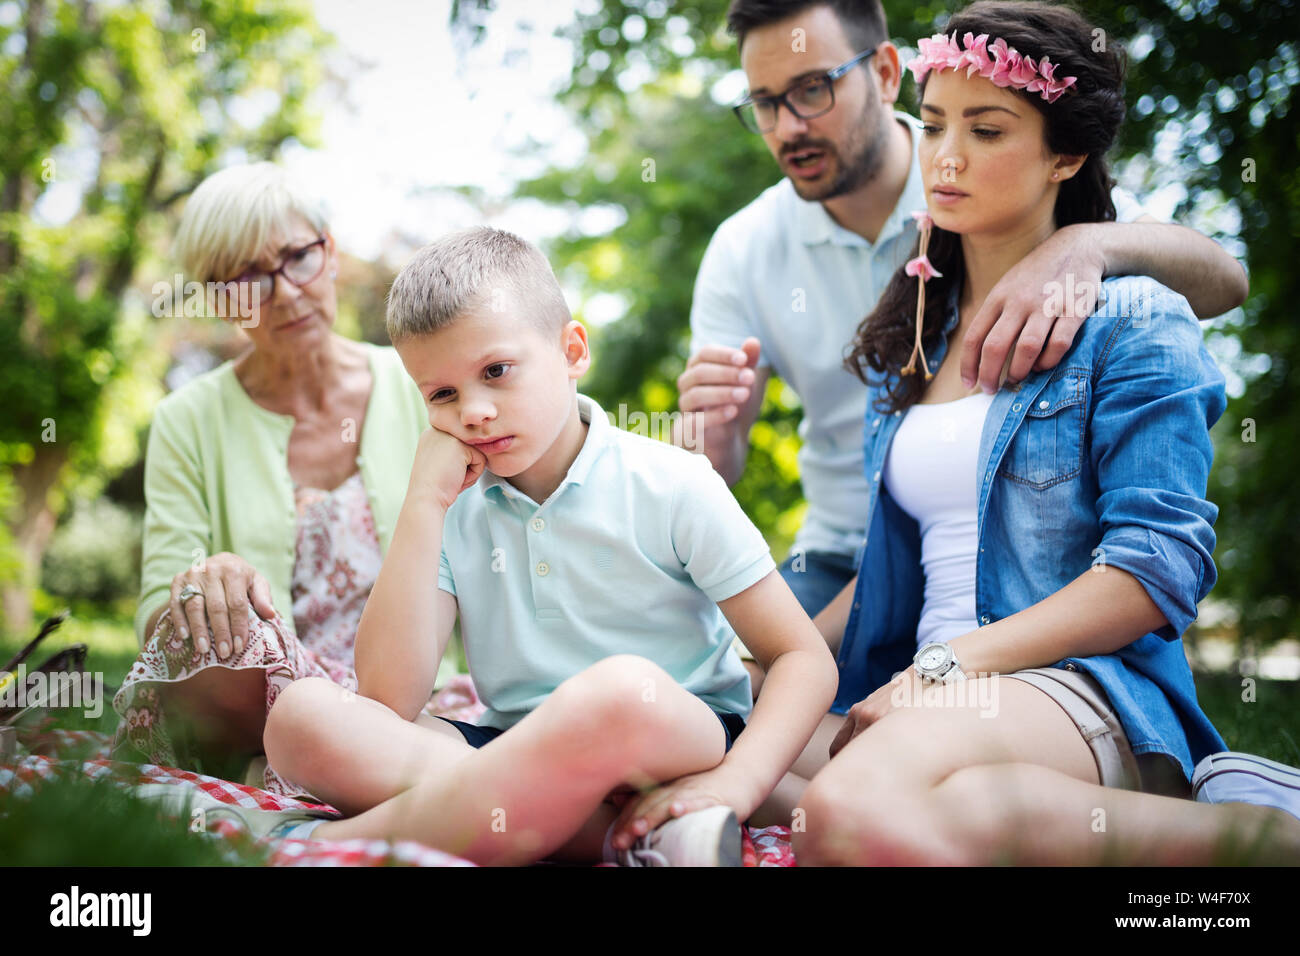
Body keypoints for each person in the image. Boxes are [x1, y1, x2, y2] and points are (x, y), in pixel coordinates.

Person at [783, 0, 1300, 865]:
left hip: (1075, 692)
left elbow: (1154, 573)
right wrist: (767, 649)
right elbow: (889, 568)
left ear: (1066, 154)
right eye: (936, 123)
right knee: (704, 741)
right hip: (917, 695)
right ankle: (1222, 836)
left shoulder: (1133, 317)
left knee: (848, 810)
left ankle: (1250, 834)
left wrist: (947, 669)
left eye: (987, 130)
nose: (946, 156)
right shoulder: (911, 340)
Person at [248, 227, 838, 866]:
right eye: (442, 394)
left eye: (496, 372)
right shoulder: (451, 509)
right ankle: (615, 833)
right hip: (510, 746)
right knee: (301, 718)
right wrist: (423, 506)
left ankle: (327, 842)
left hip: (670, 732)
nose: (473, 411)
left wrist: (739, 781)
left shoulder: (670, 482)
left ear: (572, 350)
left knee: (617, 691)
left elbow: (803, 659)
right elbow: (389, 698)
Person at [680, 0, 1249, 636]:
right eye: (764, 102)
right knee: (718, 689)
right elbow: (712, 473)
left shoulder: (991, 182)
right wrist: (715, 436)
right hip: (849, 556)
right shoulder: (744, 247)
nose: (788, 128)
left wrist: (1086, 245)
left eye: (813, 89)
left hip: (1018, 563)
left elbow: (1224, 279)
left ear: (887, 72)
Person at [110, 162, 451, 795]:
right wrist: (202, 585)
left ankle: (367, 767)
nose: (287, 292)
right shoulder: (188, 418)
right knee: (196, 638)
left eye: (299, 257)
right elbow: (158, 612)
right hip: (272, 699)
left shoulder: (418, 381)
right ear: (217, 299)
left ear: (331, 251)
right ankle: (413, 771)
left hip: (414, 687)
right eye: (247, 278)